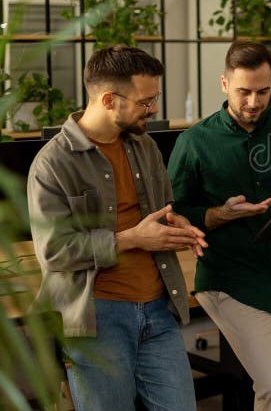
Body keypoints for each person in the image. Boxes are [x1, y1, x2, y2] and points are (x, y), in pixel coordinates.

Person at [27, 45, 207, 410]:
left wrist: (177, 225)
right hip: (97, 318)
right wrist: (132, 238)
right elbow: (54, 251)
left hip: (159, 306)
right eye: (145, 102)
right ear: (109, 99)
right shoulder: (52, 164)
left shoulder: (145, 147)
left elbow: (160, 211)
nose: (152, 109)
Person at [168, 40, 271, 411]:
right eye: (244, 92)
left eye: (263, 91)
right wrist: (220, 214)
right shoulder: (194, 142)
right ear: (224, 84)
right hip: (230, 281)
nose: (253, 102)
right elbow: (173, 214)